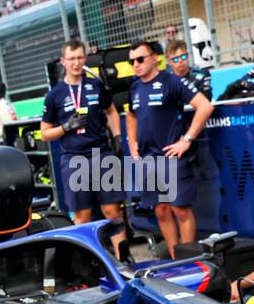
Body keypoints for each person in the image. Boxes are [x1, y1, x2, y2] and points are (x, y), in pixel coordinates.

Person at [125, 40, 214, 257]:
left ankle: (190, 259)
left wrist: (187, 139)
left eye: (140, 59)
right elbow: (131, 115)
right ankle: (176, 260)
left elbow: (205, 106)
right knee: (161, 210)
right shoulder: (134, 87)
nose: (135, 64)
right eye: (131, 61)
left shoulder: (172, 81)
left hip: (171, 157)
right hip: (148, 160)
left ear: (155, 58)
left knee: (180, 209)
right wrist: (131, 141)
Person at [39, 39, 124, 225]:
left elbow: (110, 110)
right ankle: (85, 255)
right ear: (63, 61)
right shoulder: (54, 95)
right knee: (82, 216)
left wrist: (117, 135)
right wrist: (65, 127)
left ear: (85, 58)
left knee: (112, 211)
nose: (76, 63)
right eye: (71, 59)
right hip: (73, 158)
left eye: (79, 58)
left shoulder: (95, 85)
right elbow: (44, 133)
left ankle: (121, 254)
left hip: (100, 154)